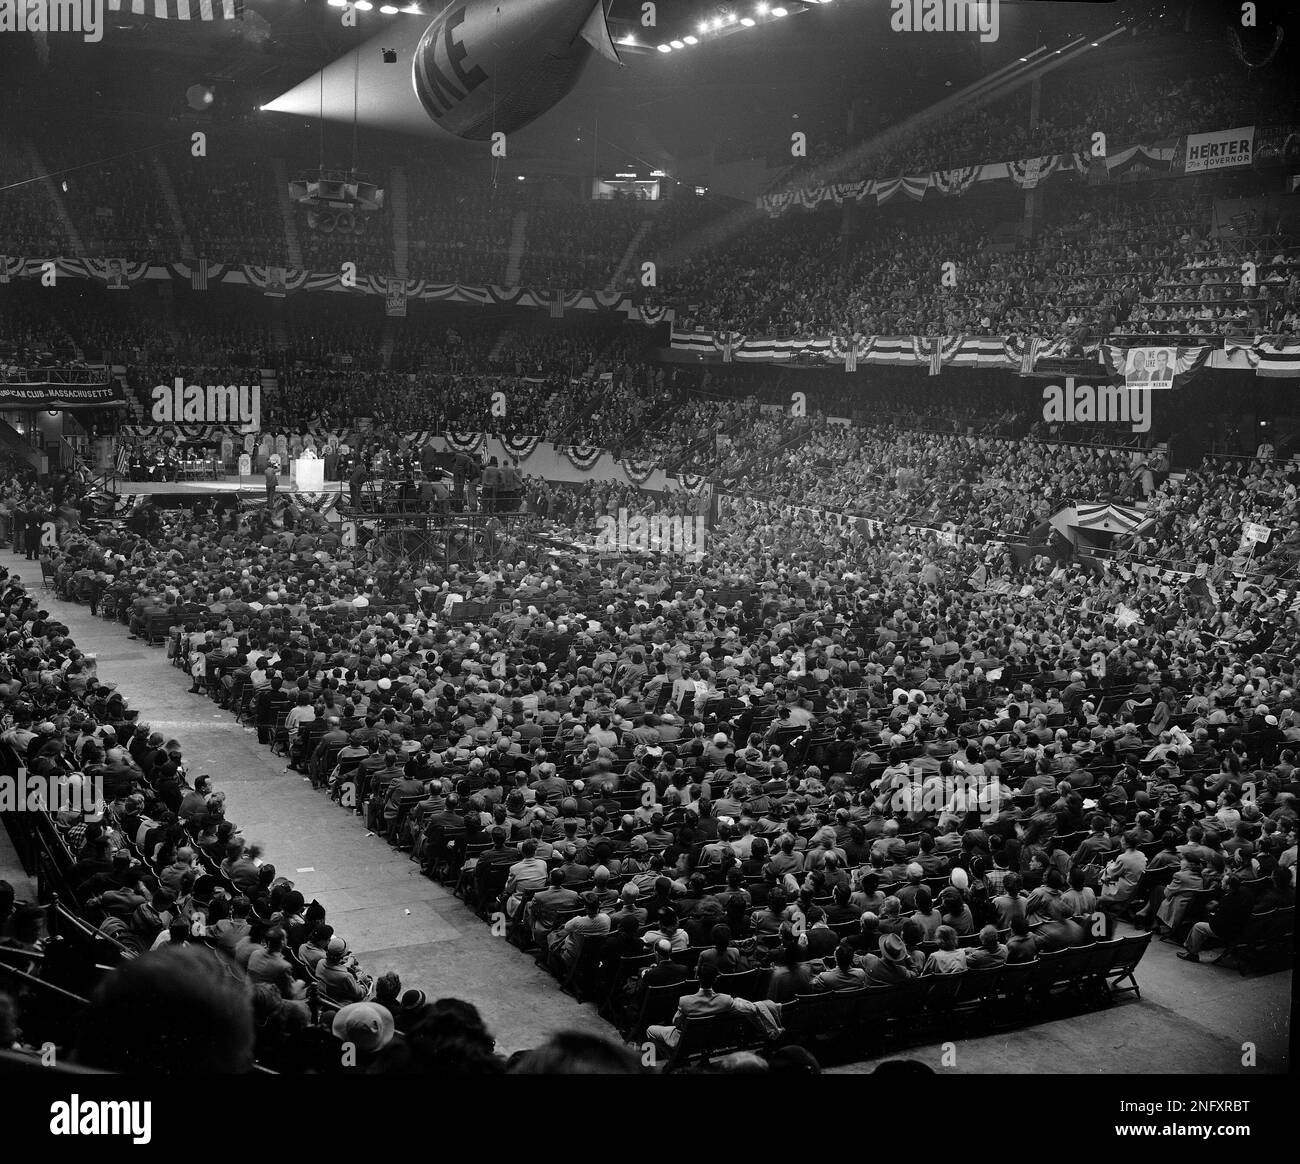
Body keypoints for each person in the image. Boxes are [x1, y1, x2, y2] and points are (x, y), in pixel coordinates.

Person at [645, 963, 736, 1052]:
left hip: (687, 1042)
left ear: (697, 978)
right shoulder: (726, 1000)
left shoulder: (685, 1001)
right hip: (715, 1040)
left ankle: (675, 1058)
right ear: (715, 979)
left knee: (650, 1030)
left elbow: (675, 1022)